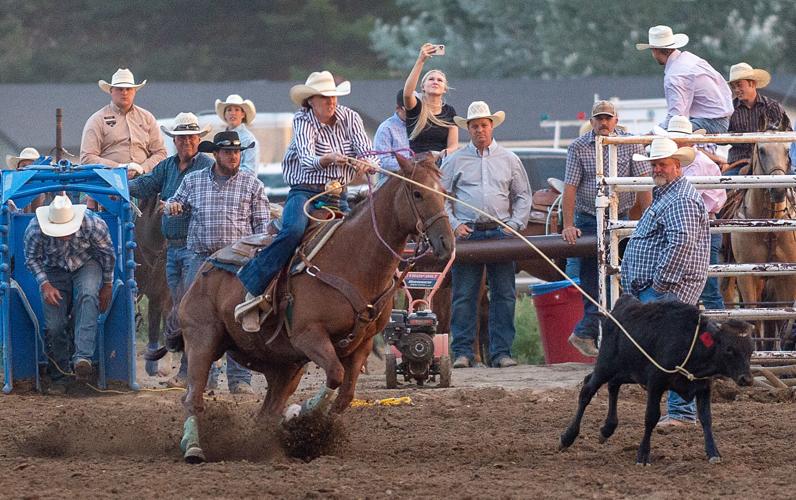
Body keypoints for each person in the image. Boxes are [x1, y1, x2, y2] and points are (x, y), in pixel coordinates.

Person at [236, 70, 376, 307]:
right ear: (311, 101)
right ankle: (254, 285)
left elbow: (368, 151)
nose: (331, 102)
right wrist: (328, 158)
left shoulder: (350, 117)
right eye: (324, 97)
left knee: (364, 239)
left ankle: (364, 301)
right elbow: (307, 159)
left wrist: (369, 163)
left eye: (333, 97)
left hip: (339, 194)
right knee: (292, 231)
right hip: (306, 191)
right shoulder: (302, 119)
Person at [164, 131, 269, 394]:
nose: (233, 156)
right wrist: (172, 207)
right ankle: (201, 377)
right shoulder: (193, 181)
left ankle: (239, 379)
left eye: (236, 152)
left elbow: (263, 226)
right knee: (196, 317)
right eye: (227, 152)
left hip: (239, 260)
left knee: (240, 317)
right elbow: (174, 202)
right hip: (203, 259)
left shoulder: (252, 184)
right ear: (216, 154)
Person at [622, 137, 710, 426]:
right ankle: (680, 411)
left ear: (677, 166)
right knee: (672, 348)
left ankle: (682, 413)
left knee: (674, 350)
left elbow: (682, 242)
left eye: (663, 164)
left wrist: (660, 284)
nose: (657, 169)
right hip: (665, 288)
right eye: (654, 164)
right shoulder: (671, 194)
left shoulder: (679, 198)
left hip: (669, 289)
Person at [441, 101, 530, 369]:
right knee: (464, 295)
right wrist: (455, 223)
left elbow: (523, 195)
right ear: (468, 129)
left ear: (492, 127)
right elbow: (441, 197)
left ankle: (501, 353)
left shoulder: (509, 159)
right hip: (468, 233)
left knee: (503, 294)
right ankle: (463, 353)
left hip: (500, 233)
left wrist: (515, 224)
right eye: (475, 126)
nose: (480, 130)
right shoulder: (455, 159)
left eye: (484, 125)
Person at [128, 112, 213, 388]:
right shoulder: (166, 167)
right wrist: (120, 183)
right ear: (174, 141)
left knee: (190, 309)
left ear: (198, 139)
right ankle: (191, 371)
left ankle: (192, 372)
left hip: (196, 246)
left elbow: (210, 200)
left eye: (191, 136)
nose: (186, 141)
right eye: (181, 137)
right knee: (178, 307)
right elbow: (146, 184)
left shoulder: (207, 166)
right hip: (172, 248)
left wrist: (182, 206)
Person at [562, 100, 652, 357]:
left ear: (615, 120)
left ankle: (588, 332)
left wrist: (648, 219)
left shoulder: (630, 143)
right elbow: (570, 188)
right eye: (599, 118)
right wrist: (569, 225)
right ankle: (597, 334)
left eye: (607, 118)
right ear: (592, 122)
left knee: (621, 275)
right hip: (589, 216)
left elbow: (642, 184)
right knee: (594, 278)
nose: (603, 122)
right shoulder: (579, 147)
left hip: (620, 214)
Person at [23, 195, 115, 393]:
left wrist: (107, 285)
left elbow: (107, 255)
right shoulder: (34, 230)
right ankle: (60, 377)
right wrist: (45, 284)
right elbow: (31, 259)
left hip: (86, 263)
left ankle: (83, 357)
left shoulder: (93, 224)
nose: (64, 236)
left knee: (89, 294)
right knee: (54, 325)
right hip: (53, 270)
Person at [654, 115, 726, 310]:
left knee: (706, 288)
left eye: (679, 138)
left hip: (700, 228)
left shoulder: (698, 163)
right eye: (673, 138)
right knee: (696, 287)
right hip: (695, 226)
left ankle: (713, 335)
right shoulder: (692, 161)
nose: (675, 142)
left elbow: (684, 199)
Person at [636, 26, 733, 135]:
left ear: (654, 50)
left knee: (674, 130)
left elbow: (676, 117)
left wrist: (650, 135)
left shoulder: (675, 75)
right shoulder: (689, 59)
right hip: (721, 119)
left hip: (710, 122)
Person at [80, 68, 167, 178]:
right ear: (111, 91)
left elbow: (160, 153)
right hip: (108, 180)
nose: (124, 93)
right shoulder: (97, 120)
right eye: (120, 89)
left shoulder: (147, 118)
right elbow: (87, 157)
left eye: (128, 89)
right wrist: (118, 167)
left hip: (145, 180)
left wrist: (142, 169)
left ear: (134, 92)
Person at [723, 63, 793, 175]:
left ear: (752, 83)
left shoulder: (772, 106)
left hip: (772, 162)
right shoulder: (729, 110)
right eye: (733, 86)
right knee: (724, 187)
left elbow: (787, 133)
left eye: (739, 85)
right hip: (739, 162)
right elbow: (720, 139)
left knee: (792, 181)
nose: (736, 89)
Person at [403, 43, 458, 155]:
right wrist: (421, 60)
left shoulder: (450, 111)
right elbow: (407, 94)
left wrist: (442, 154)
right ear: (423, 86)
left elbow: (453, 145)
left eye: (439, 80)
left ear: (444, 89)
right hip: (417, 164)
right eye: (431, 79)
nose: (435, 82)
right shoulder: (416, 106)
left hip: (441, 163)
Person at [216, 94, 260, 173]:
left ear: (243, 114)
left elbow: (251, 171)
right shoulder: (219, 137)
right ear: (225, 115)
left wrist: (225, 171)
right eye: (229, 110)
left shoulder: (249, 140)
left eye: (237, 110)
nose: (233, 113)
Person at [373, 90, 410, 183]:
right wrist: (410, 165)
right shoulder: (386, 128)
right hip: (391, 181)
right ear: (398, 108)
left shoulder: (420, 126)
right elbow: (383, 161)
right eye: (409, 109)